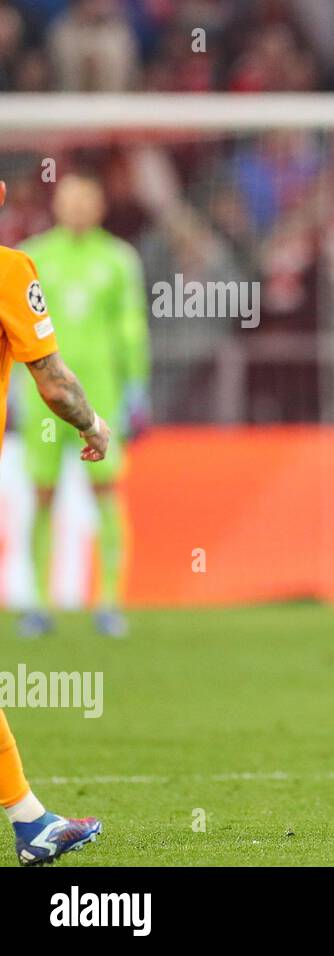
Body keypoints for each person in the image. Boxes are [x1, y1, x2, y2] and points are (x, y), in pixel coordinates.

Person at [0, 178, 112, 863]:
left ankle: (29, 818)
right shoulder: (12, 269)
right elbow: (53, 380)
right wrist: (95, 421)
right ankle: (30, 821)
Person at [17, 172, 148, 639]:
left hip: (102, 396)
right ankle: (37, 603)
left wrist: (137, 385)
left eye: (84, 200)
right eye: (67, 200)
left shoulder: (117, 259)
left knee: (106, 494)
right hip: (41, 399)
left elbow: (131, 327)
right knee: (41, 494)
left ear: (99, 207)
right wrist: (15, 389)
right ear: (57, 204)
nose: (75, 208)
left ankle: (109, 601)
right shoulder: (32, 257)